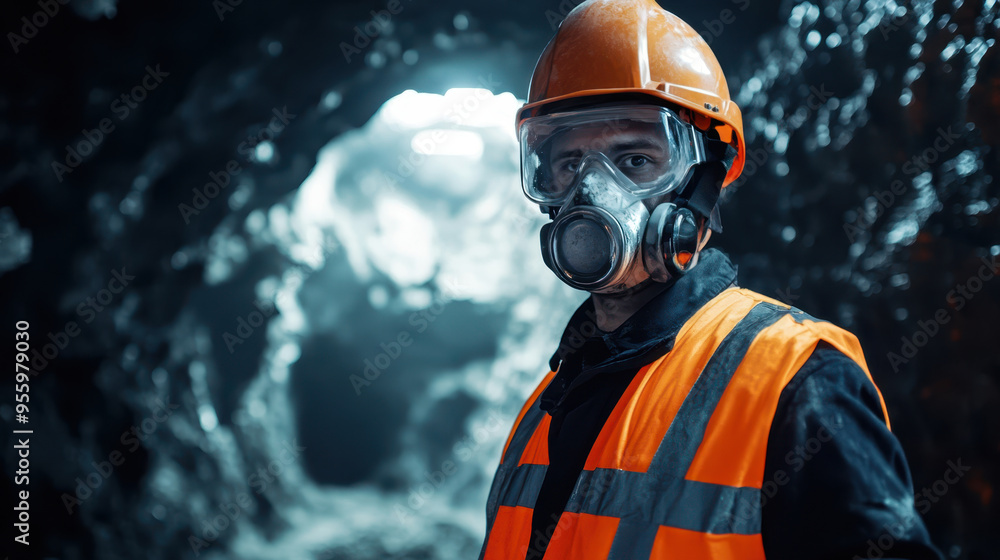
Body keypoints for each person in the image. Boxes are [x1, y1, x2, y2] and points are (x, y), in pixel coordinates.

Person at [477, 1, 944, 559]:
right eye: (570, 164)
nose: (593, 193)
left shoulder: (798, 380)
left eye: (635, 161)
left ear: (706, 182)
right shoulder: (546, 404)